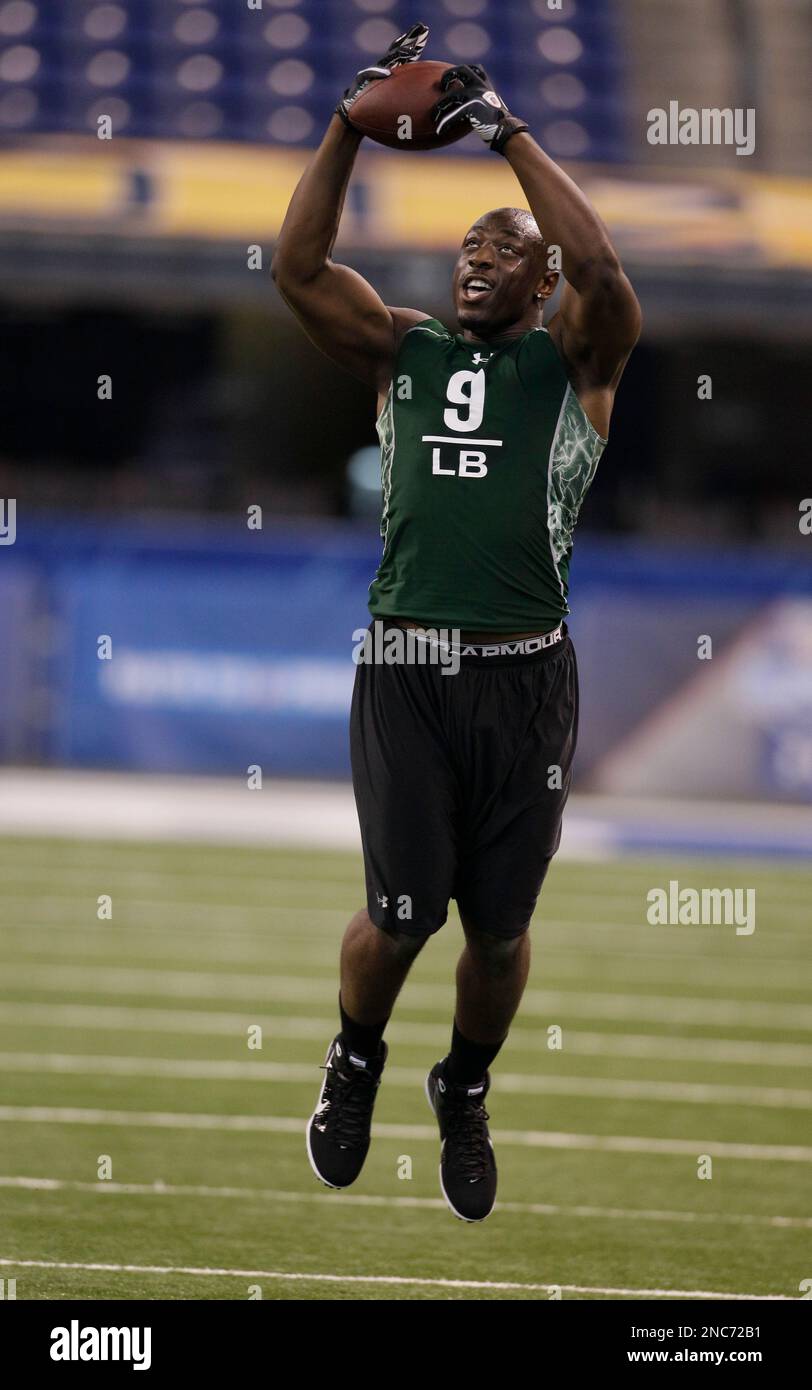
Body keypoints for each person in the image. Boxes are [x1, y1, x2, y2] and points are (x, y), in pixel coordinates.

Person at [271, 23, 641, 1222]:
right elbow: (296, 262)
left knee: (495, 934)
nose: (479, 255)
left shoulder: (575, 358)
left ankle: (462, 1085)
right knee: (400, 914)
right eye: (468, 241)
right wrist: (344, 121)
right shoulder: (401, 348)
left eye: (504, 248)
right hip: (408, 665)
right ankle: (354, 1058)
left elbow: (603, 267)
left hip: (526, 675)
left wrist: (505, 134)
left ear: (541, 287)